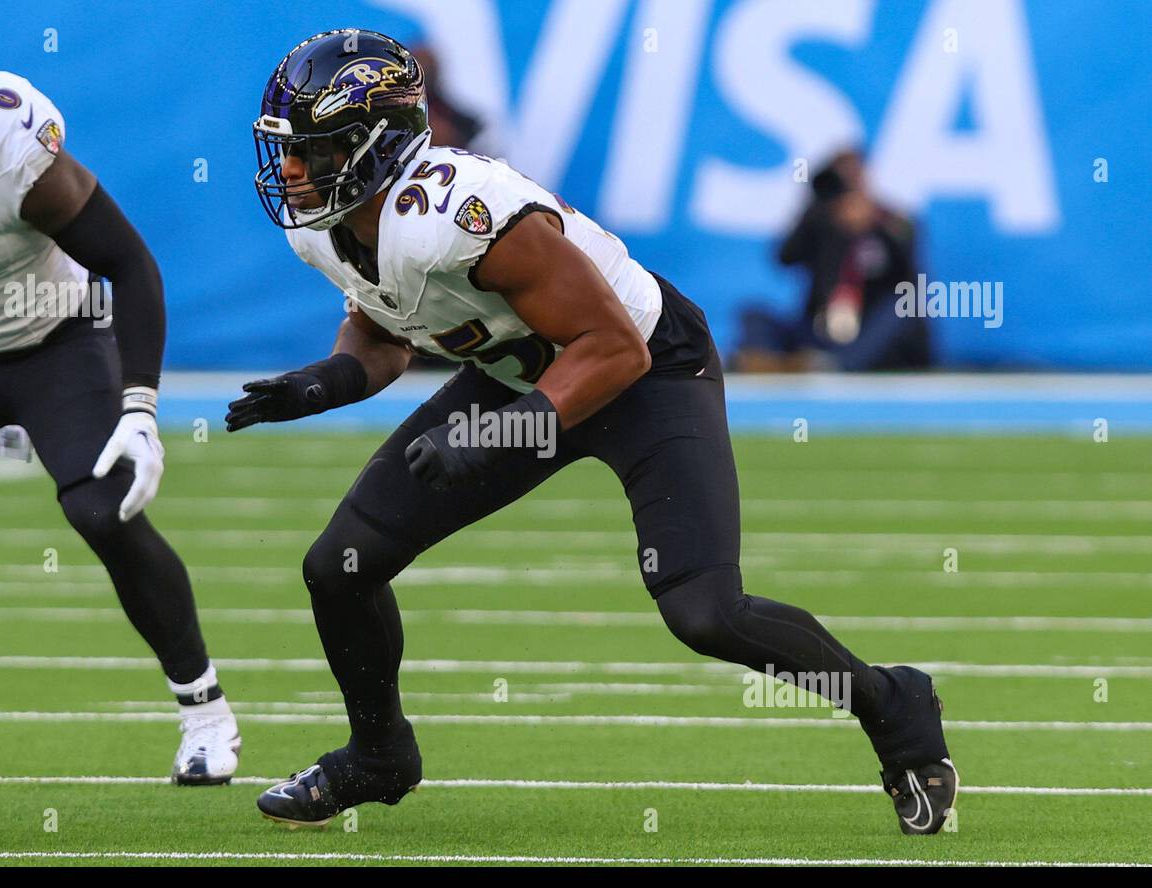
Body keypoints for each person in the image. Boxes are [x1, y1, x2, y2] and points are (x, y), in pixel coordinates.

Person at [231, 29, 957, 834]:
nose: (292, 172)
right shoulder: (324, 225)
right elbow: (387, 325)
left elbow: (614, 347)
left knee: (704, 611)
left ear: (378, 145)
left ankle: (893, 703)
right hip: (519, 375)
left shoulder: (458, 214)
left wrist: (492, 436)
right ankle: (378, 756)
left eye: (315, 150)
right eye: (288, 151)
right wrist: (325, 381)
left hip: (649, 370)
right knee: (340, 565)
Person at [0, 0, 239, 783]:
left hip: (57, 342)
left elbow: (129, 266)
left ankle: (206, 713)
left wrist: (139, 409)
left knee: (102, 509)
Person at [736, 148, 932, 372]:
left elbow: (912, 279)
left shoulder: (892, 221)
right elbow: (784, 258)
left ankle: (836, 365)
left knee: (900, 308)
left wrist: (876, 224)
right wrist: (812, 210)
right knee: (752, 313)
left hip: (870, 329)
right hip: (820, 329)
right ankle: (766, 360)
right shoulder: (818, 221)